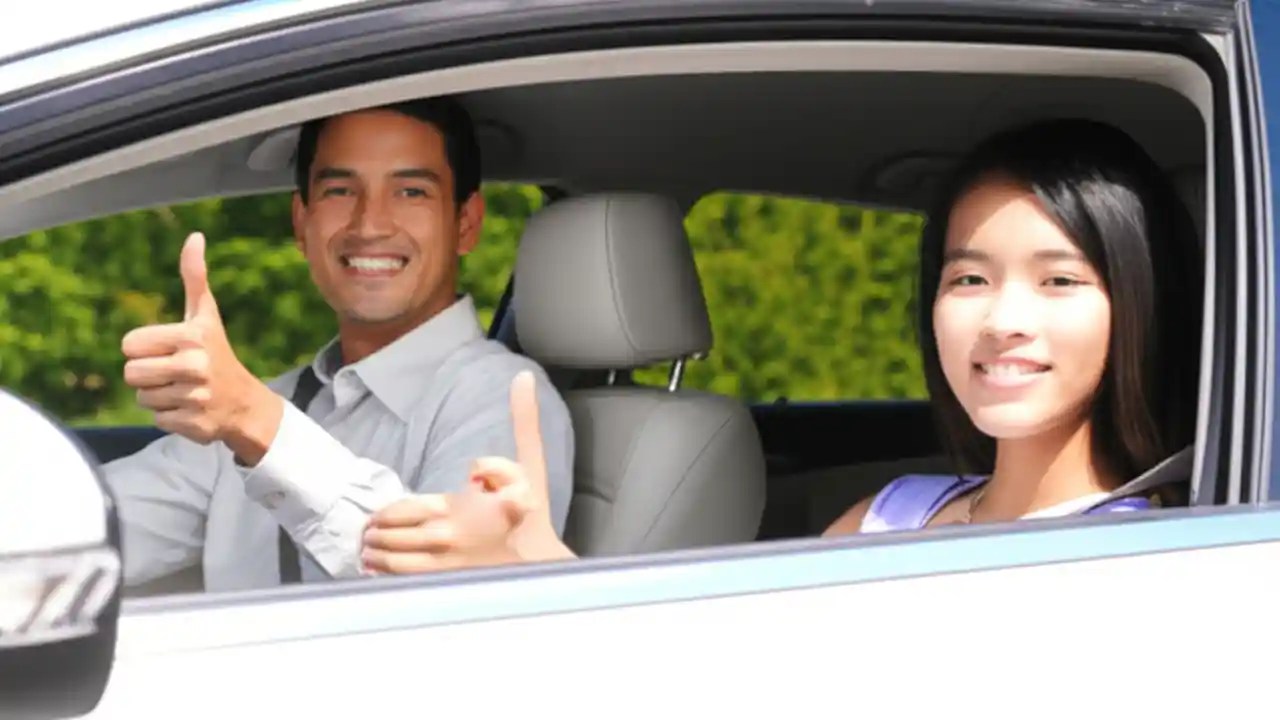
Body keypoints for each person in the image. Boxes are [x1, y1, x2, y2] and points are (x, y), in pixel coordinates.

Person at [357, 117, 1202, 570]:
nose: (1001, 319)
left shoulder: (1138, 559)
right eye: (968, 279)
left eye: (1059, 281)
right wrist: (541, 562)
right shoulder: (893, 510)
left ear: (1135, 306)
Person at [103, 96, 575, 592]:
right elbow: (86, 524)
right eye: (340, 191)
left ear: (465, 223)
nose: (370, 224)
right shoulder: (271, 405)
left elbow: (444, 597)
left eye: (411, 192)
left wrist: (255, 421)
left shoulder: (503, 399)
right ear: (302, 223)